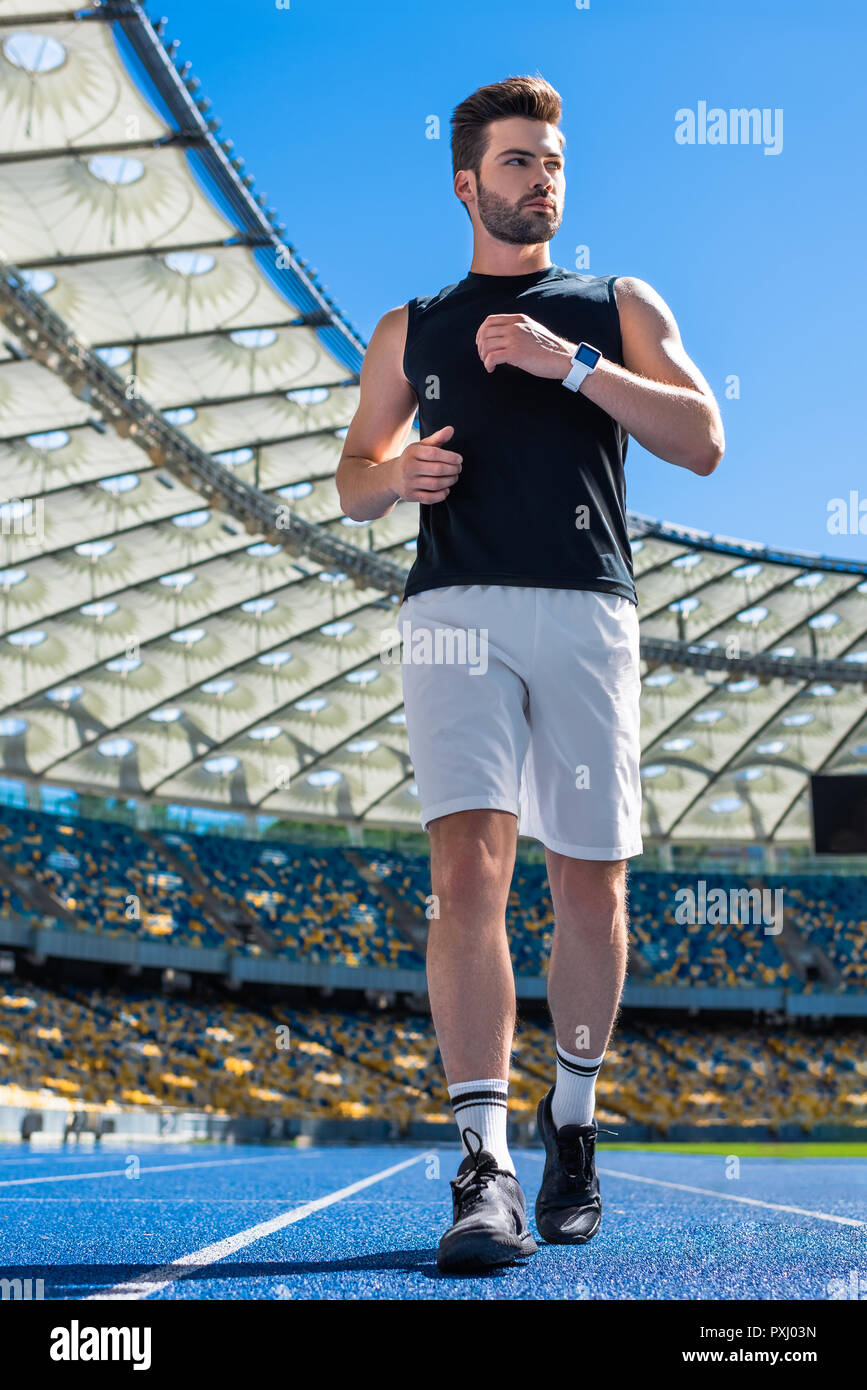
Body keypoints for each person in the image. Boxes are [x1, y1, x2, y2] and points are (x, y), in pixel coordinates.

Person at [336, 74, 723, 1273]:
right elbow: (355, 470)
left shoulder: (616, 301)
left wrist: (573, 368)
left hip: (588, 607)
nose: (539, 178)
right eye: (516, 161)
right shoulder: (411, 323)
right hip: (452, 609)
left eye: (550, 161)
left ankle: (574, 1117)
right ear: (467, 182)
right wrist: (396, 480)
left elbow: (704, 439)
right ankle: (485, 1164)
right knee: (467, 875)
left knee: (592, 892)